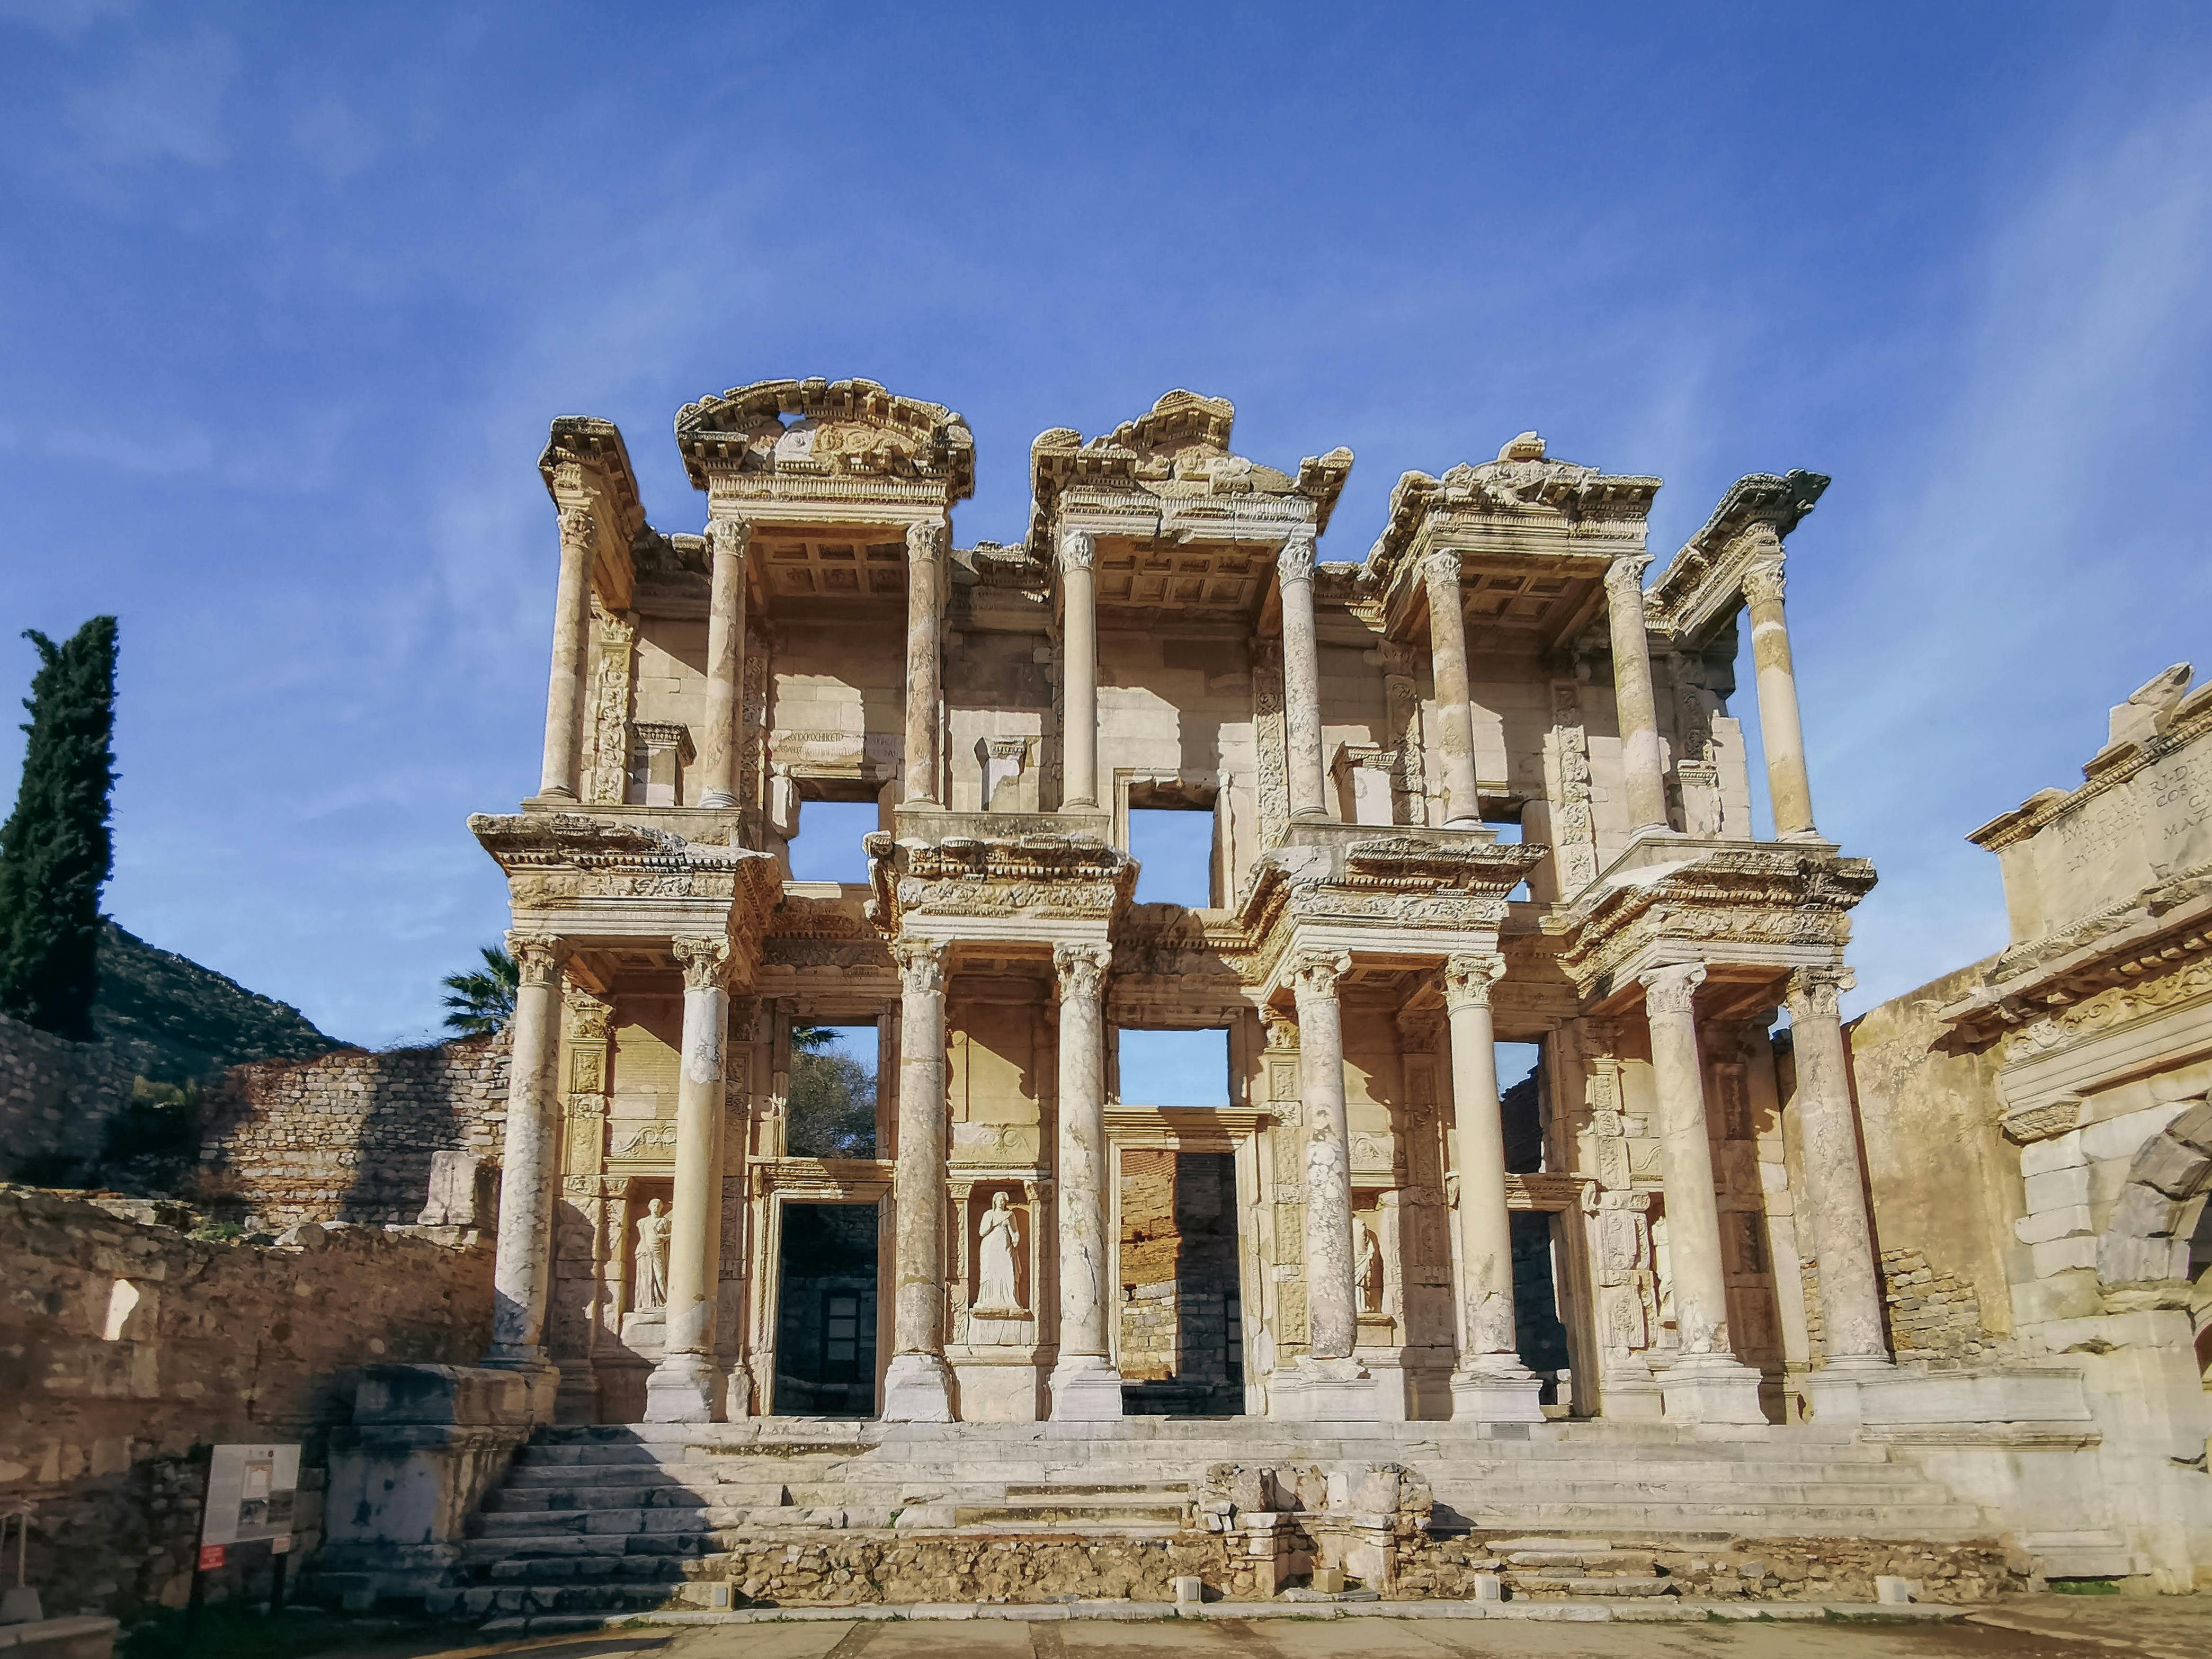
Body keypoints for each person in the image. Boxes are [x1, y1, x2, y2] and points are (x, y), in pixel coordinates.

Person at [975, 1191, 1022, 1312]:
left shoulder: (1009, 1215)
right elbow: (982, 1232)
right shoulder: (988, 1214)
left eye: (1003, 1201)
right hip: (990, 1245)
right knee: (990, 1271)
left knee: (1007, 1270)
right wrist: (991, 1224)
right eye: (999, 1200)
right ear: (995, 1201)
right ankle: (988, 1299)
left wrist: (1016, 1240)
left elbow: (1014, 1231)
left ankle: (1008, 1299)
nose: (1001, 1202)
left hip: (1004, 1245)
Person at [633, 1198, 672, 1311]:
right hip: (644, 1251)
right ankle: (646, 1303)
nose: (656, 1208)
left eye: (659, 1206)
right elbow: (643, 1237)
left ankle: (666, 1301)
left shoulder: (664, 1222)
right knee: (645, 1277)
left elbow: (671, 1235)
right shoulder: (643, 1222)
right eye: (654, 1205)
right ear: (649, 1207)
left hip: (658, 1250)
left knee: (660, 1276)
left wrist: (662, 1237)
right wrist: (646, 1249)